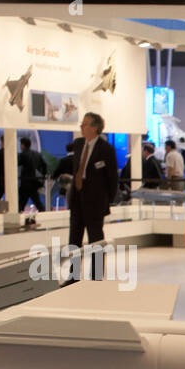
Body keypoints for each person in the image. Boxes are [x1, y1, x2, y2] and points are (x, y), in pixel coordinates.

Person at [65, 113, 117, 282]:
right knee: (74, 239)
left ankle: (96, 277)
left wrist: (107, 201)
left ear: (94, 128)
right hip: (77, 199)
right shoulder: (79, 144)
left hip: (95, 202)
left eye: (85, 124)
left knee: (95, 240)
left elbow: (112, 178)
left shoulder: (106, 149)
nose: (81, 127)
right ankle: (73, 276)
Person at [17, 136, 45, 211]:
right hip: (34, 182)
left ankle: (17, 217)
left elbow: (16, 164)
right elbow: (44, 165)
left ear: (23, 145)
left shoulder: (23, 155)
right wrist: (42, 177)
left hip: (25, 183)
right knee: (37, 202)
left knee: (20, 204)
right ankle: (44, 214)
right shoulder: (37, 154)